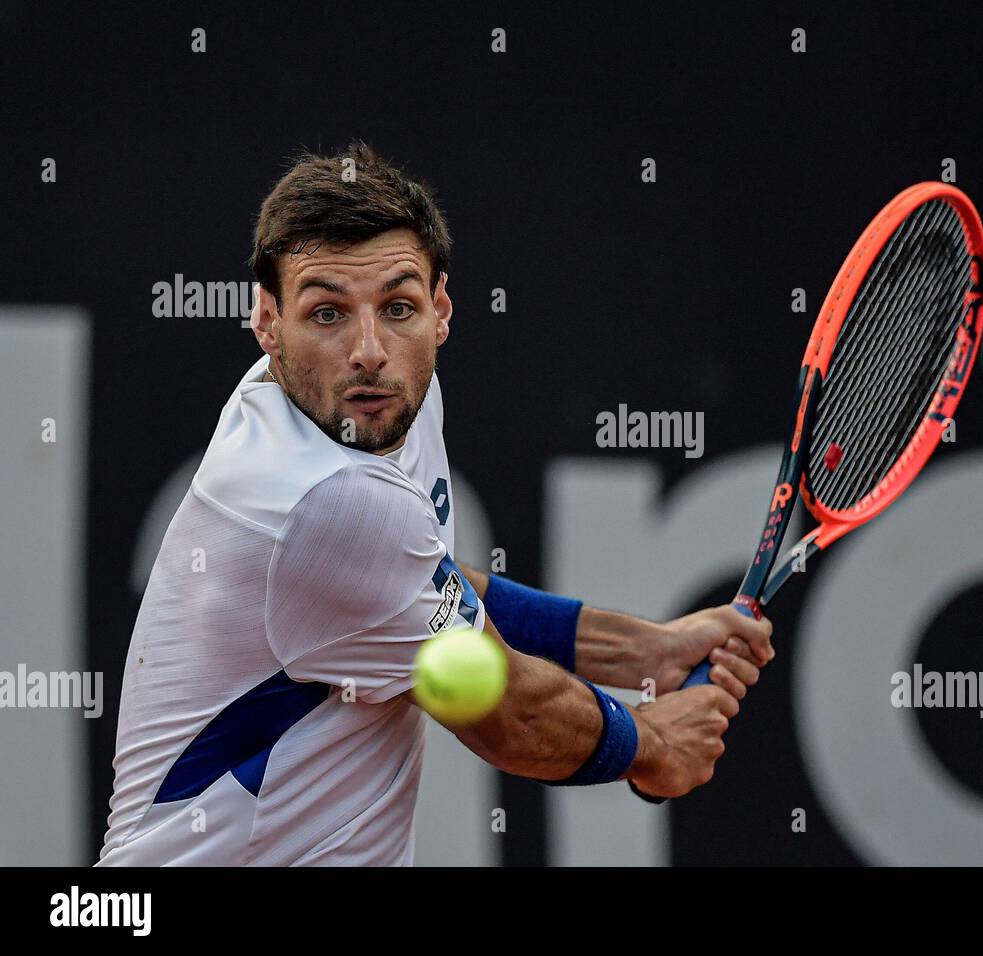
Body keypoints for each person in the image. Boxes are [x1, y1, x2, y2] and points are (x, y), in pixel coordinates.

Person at [97, 143, 774, 866]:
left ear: (440, 308)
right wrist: (655, 744)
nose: (369, 349)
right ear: (267, 321)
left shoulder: (382, 409)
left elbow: (432, 587)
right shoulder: (326, 500)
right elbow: (509, 712)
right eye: (327, 313)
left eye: (397, 307)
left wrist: (643, 649)